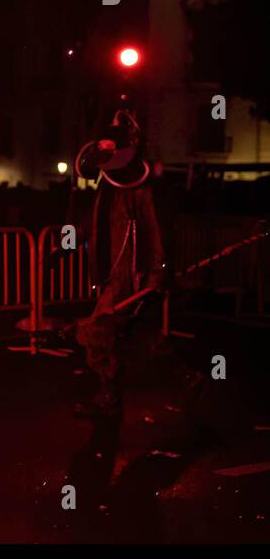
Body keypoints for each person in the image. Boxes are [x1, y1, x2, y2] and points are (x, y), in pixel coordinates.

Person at [72, 108, 166, 417]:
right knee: (127, 334)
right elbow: (91, 222)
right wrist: (63, 247)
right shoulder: (107, 188)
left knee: (96, 330)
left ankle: (108, 391)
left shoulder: (140, 192)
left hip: (128, 275)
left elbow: (152, 231)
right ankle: (185, 376)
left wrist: (155, 273)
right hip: (107, 273)